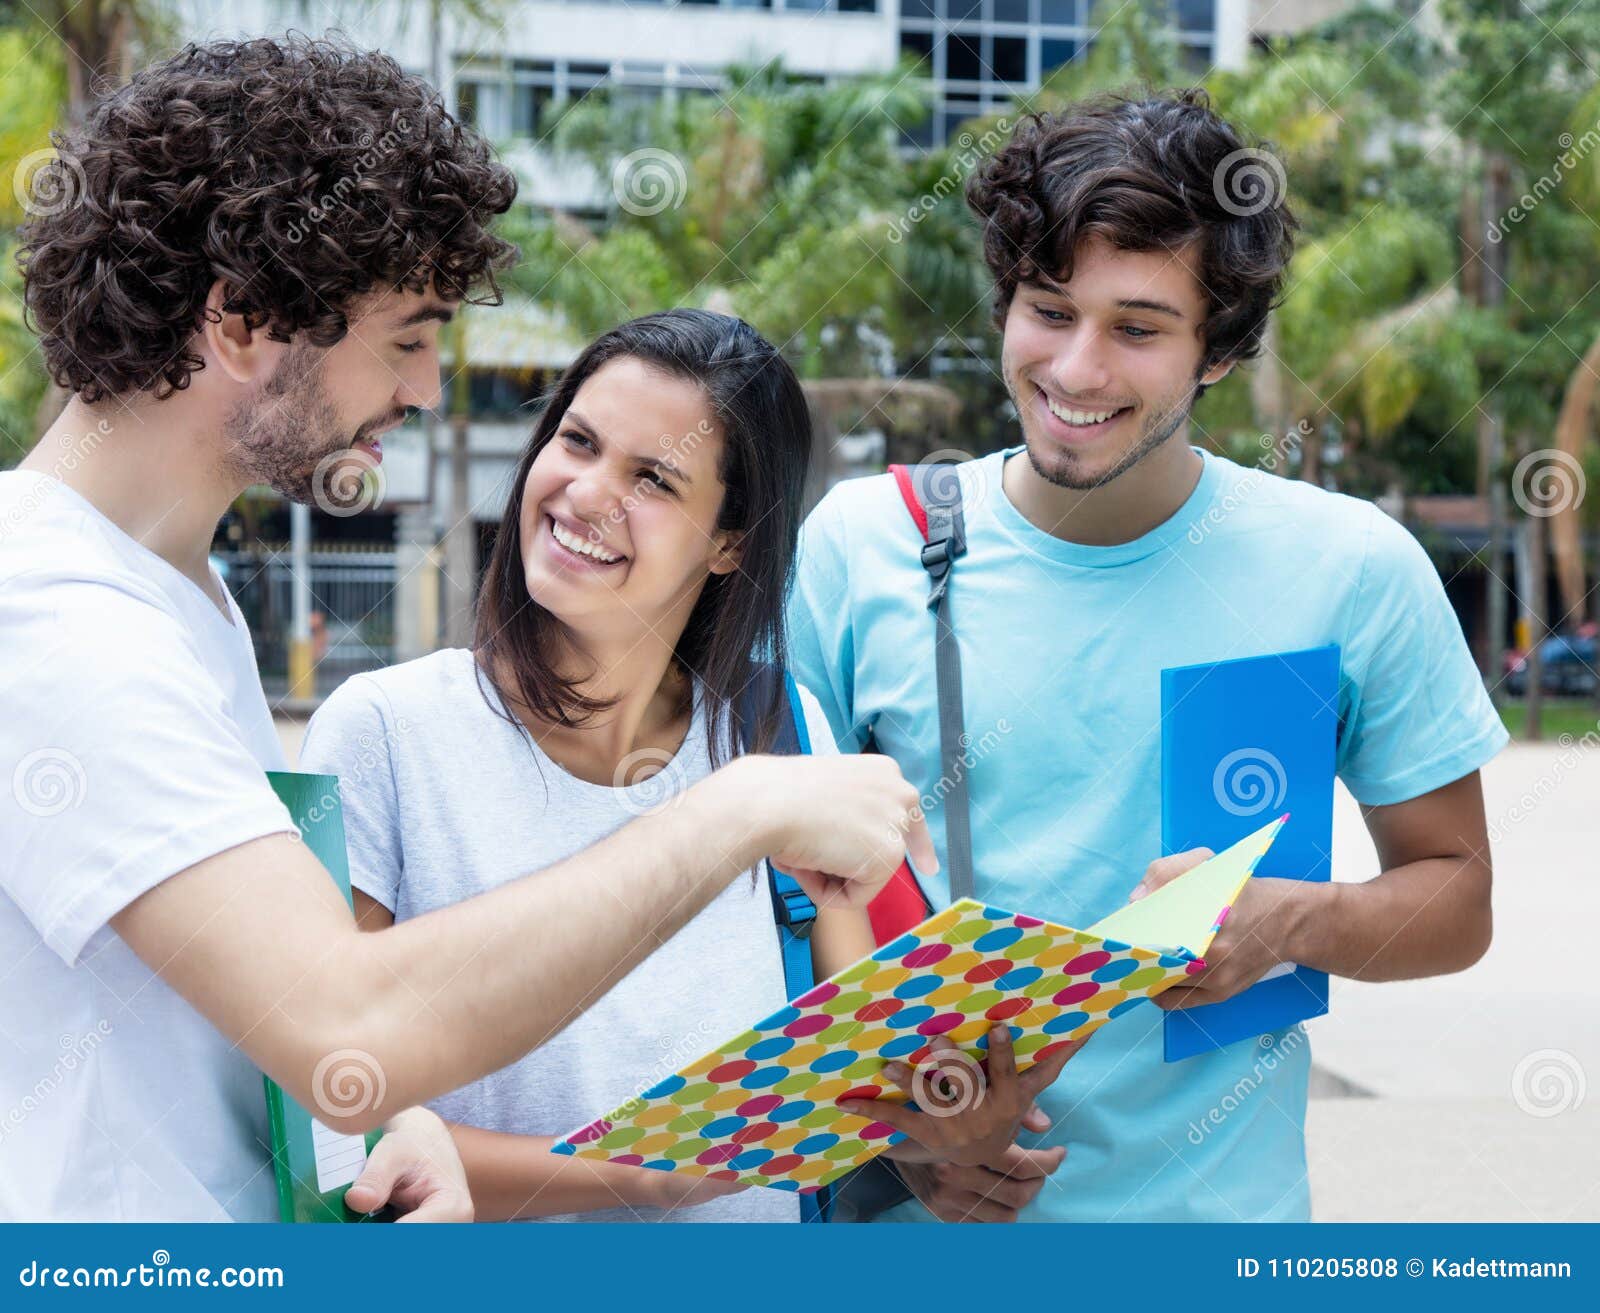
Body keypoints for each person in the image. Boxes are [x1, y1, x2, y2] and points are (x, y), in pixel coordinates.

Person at [0, 37, 927, 1224]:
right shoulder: (55, 617)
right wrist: (736, 808)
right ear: (242, 322)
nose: (428, 388)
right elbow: (345, 1018)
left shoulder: (176, 600)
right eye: (407, 335)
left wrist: (413, 1135)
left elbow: (263, 1050)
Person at [786, 90, 1505, 1223]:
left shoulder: (1350, 566)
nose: (1076, 370)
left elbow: (1457, 896)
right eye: (1048, 309)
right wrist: (899, 1140)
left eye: (1137, 328)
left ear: (1217, 350)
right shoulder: (857, 546)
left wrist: (1287, 920)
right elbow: (762, 901)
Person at [298, 309, 1082, 1222]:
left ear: (730, 541)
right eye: (578, 441)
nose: (587, 493)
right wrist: (645, 1173)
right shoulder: (384, 732)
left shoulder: (780, 728)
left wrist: (946, 1122)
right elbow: (333, 1111)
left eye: (653, 479)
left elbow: (854, 1078)